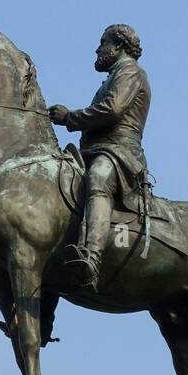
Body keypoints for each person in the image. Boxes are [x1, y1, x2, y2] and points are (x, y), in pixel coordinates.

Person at [49, 24, 151, 291]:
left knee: (97, 180)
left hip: (119, 152)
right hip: (95, 149)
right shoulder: (114, 75)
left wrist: (70, 118)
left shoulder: (130, 71)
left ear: (118, 46)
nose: (98, 49)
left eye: (103, 43)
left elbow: (113, 109)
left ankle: (91, 257)